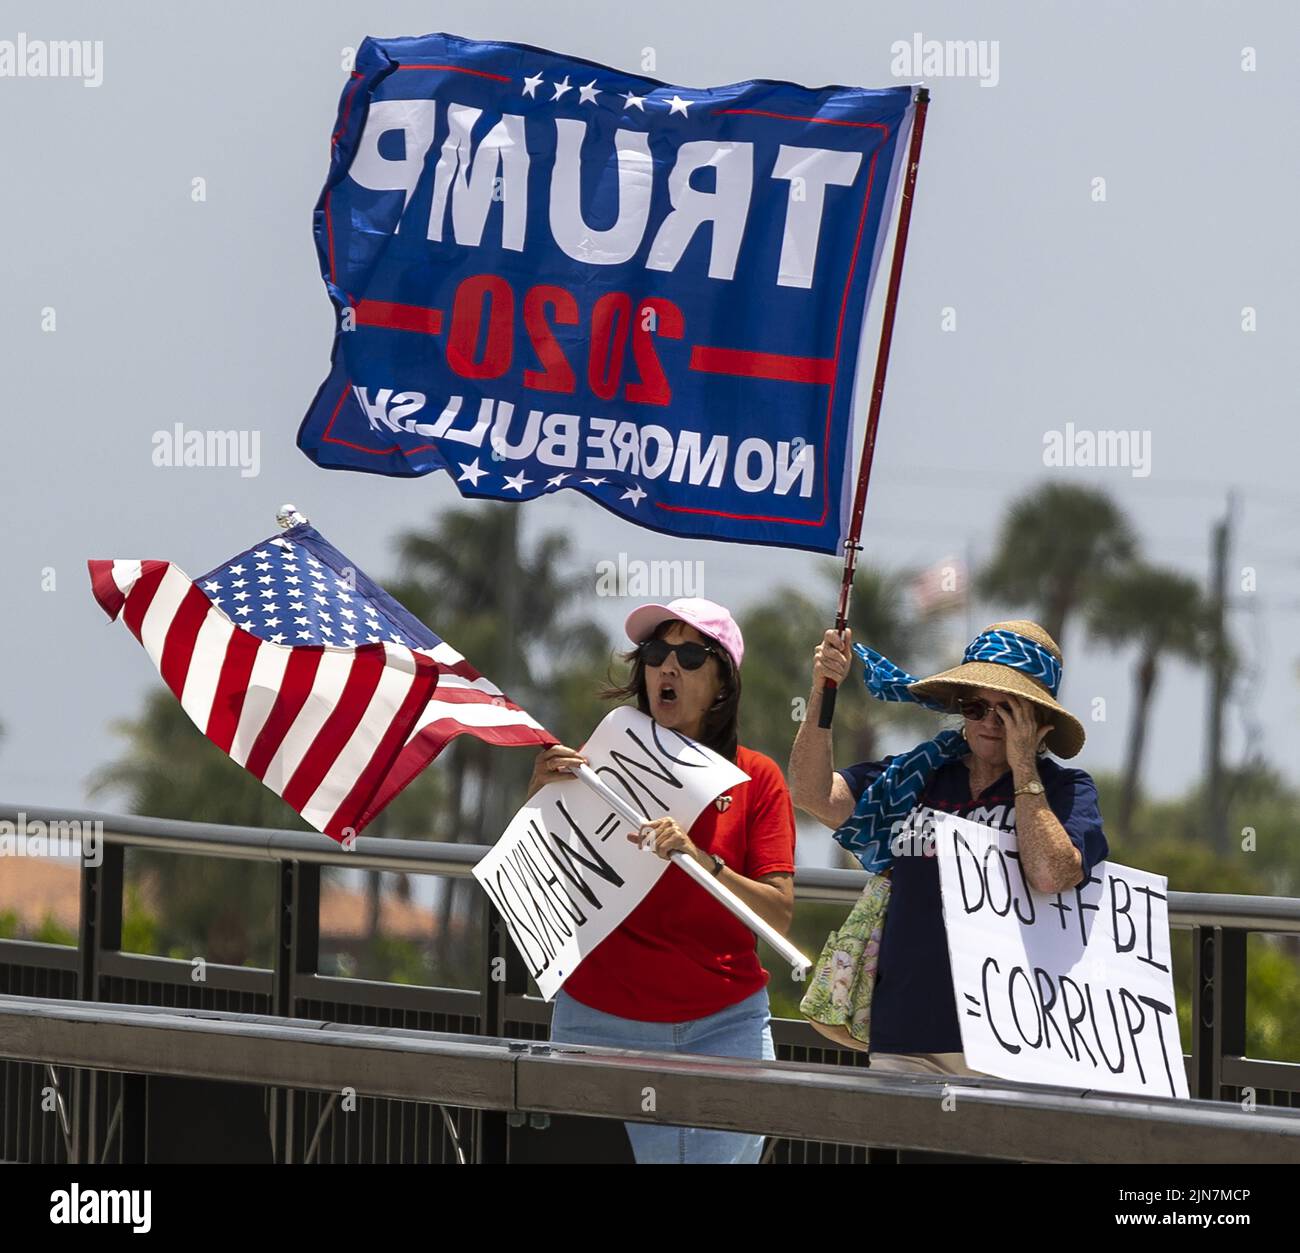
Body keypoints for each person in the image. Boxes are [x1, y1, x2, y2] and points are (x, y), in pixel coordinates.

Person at [532, 597, 797, 1163]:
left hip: (723, 1034)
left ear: (723, 684)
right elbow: (542, 876)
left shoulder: (758, 778)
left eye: (690, 655)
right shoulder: (601, 762)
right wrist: (538, 797)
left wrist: (702, 860)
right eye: (656, 652)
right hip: (597, 1025)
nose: (668, 667)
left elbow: (777, 914)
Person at [789, 619, 1108, 1078]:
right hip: (906, 1032)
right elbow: (813, 794)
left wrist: (1023, 768)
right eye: (977, 708)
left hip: (1014, 1039)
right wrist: (824, 690)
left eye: (1010, 711)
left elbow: (1050, 874)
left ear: (1040, 722)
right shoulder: (918, 775)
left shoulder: (1066, 789)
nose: (990, 723)